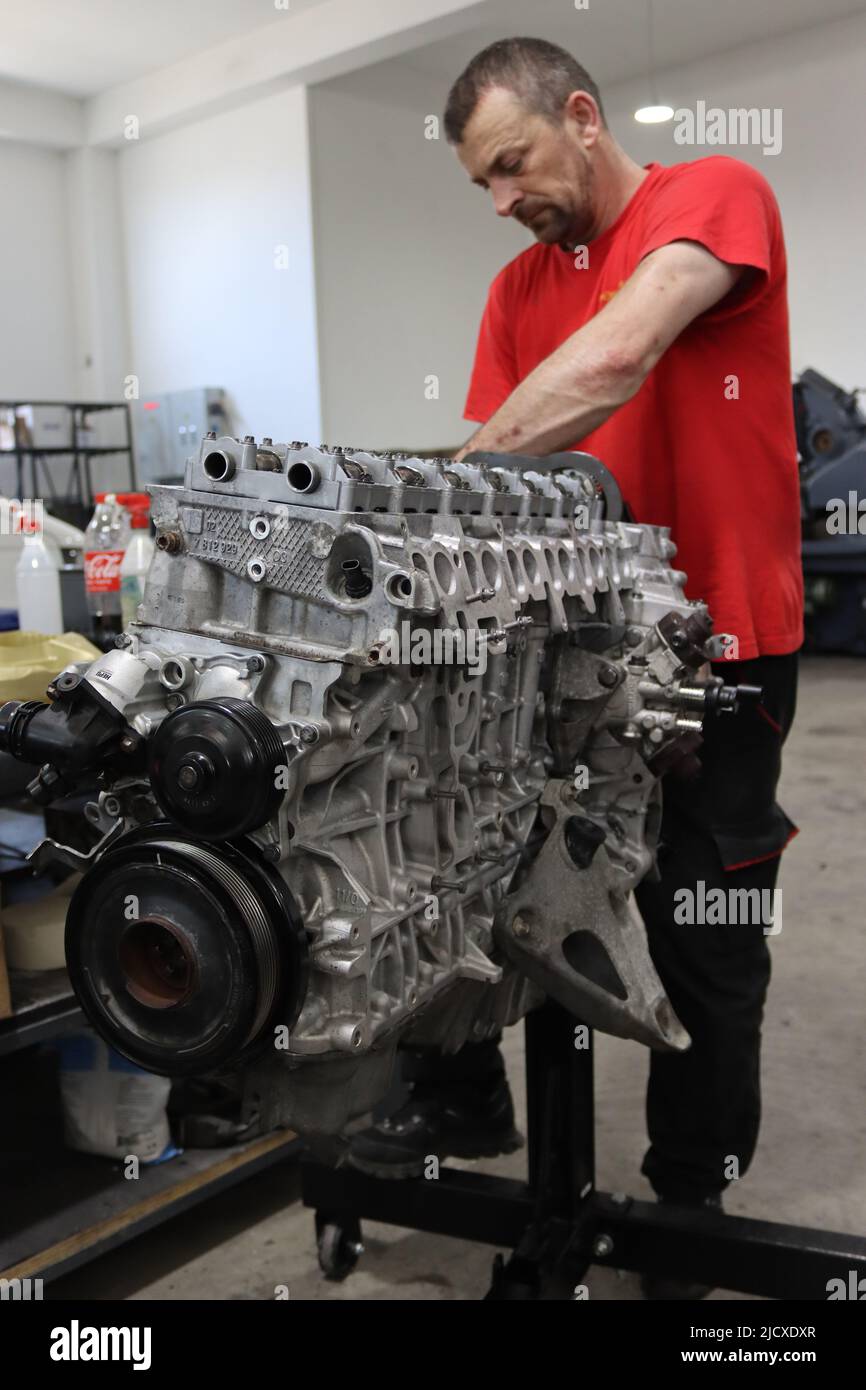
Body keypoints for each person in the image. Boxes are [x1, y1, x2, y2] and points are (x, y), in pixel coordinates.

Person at [348, 37, 802, 1297]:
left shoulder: (708, 193)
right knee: (477, 866)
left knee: (700, 928)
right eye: (479, 186)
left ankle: (687, 1195)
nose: (502, 202)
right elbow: (516, 485)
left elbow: (612, 361)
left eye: (511, 165)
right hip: (563, 662)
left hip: (719, 647)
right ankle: (465, 1099)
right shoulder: (515, 291)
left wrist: (421, 511)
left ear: (583, 117)